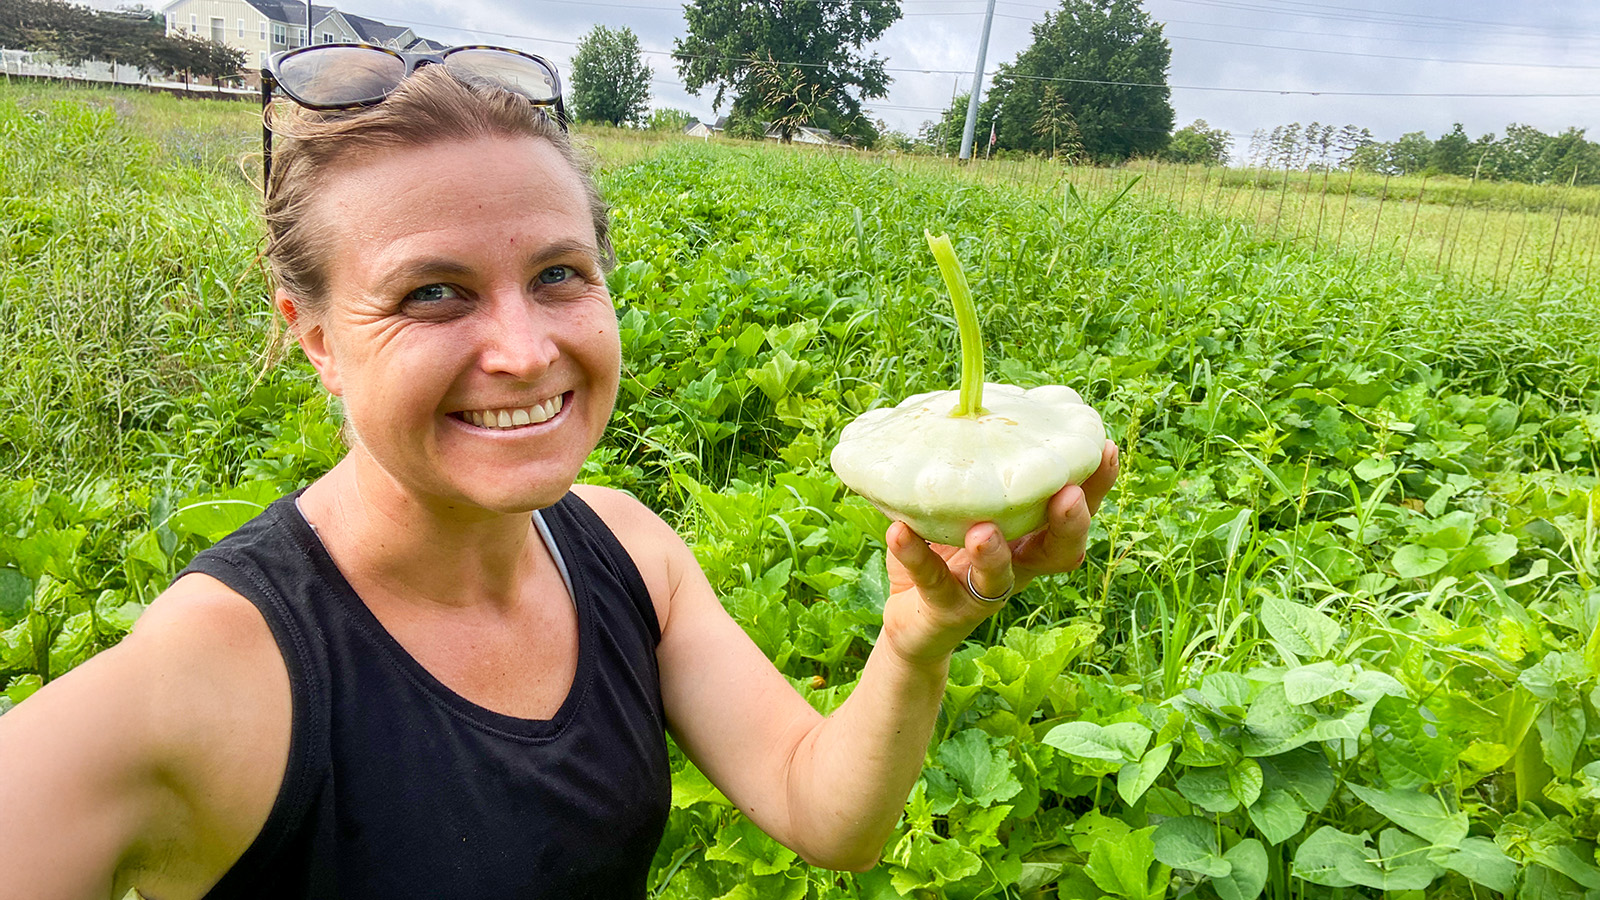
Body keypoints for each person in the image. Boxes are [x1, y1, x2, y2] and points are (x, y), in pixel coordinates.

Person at [0, 45, 1118, 899]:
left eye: (558, 275)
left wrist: (918, 634)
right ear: (316, 338)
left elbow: (826, 815)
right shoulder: (211, 674)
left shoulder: (627, 550)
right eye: (432, 292)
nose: (526, 349)